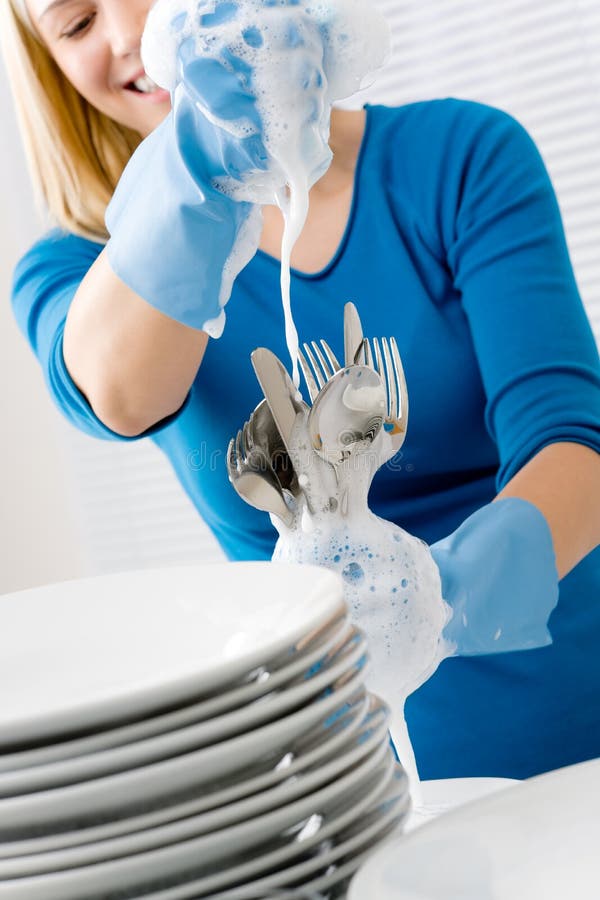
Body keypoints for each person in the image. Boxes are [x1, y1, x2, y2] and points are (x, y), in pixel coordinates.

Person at [2, 0, 599, 782]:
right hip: (341, 781)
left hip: (573, 726)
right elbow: (118, 392)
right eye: (76, 23)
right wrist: (202, 171)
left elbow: (574, 444)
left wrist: (441, 597)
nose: (123, 37)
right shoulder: (74, 276)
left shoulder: (459, 157)